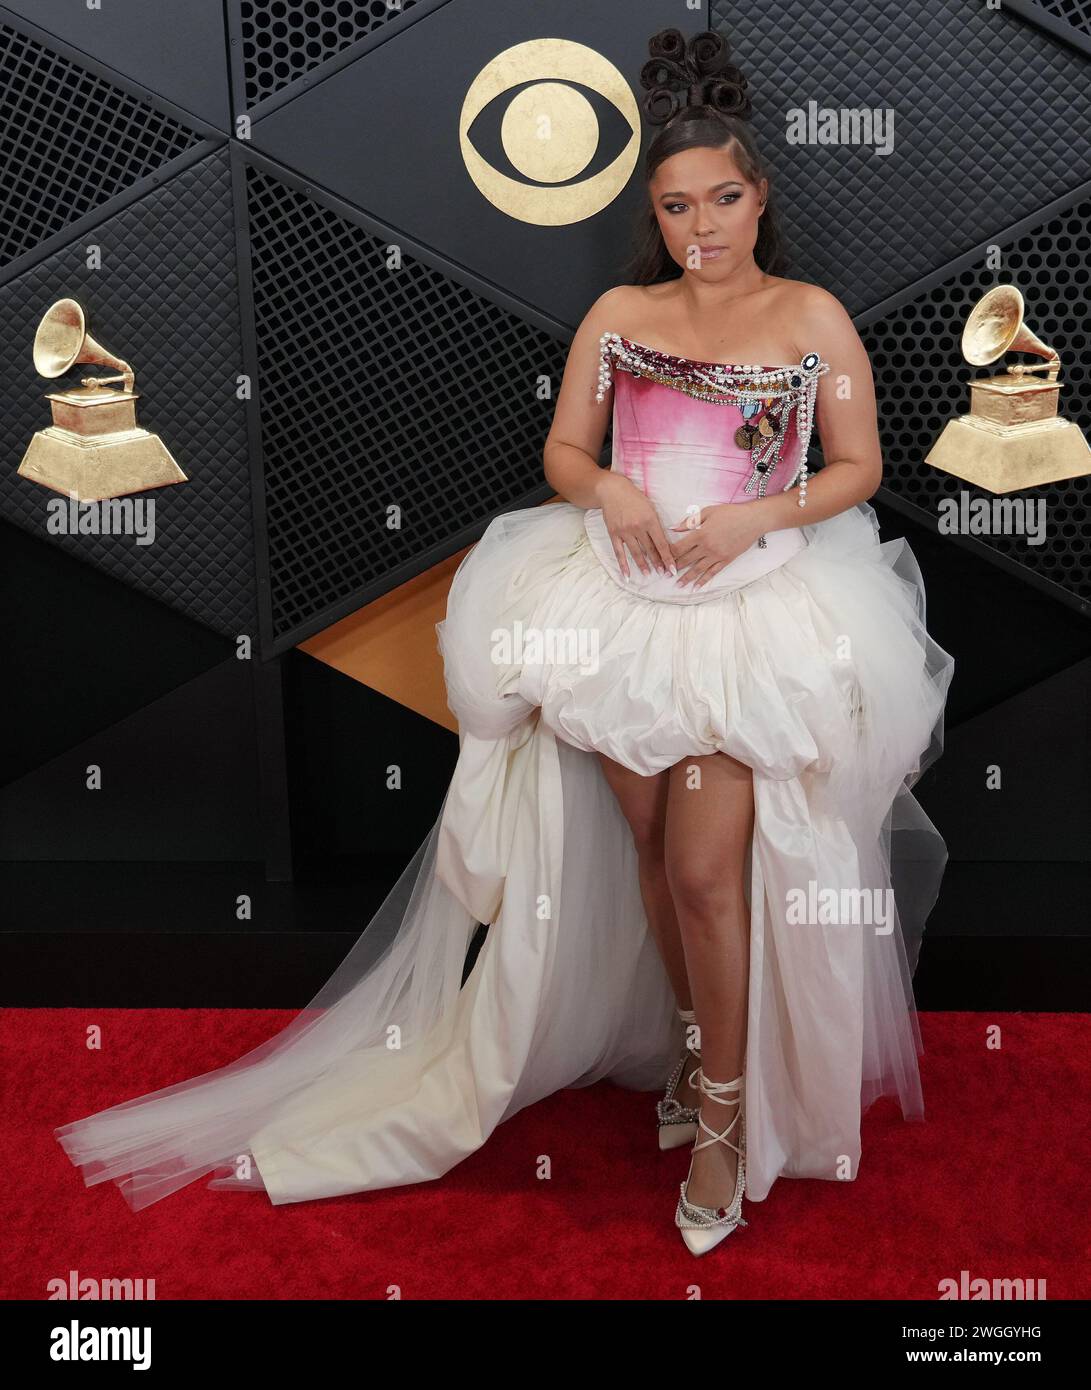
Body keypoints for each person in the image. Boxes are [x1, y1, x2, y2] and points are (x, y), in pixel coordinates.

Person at [54, 27, 954, 1257]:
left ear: (759, 196)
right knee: (650, 845)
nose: (703, 223)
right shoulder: (622, 311)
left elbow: (857, 467)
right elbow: (564, 454)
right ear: (655, 209)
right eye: (678, 202)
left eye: (724, 196)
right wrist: (613, 496)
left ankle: (730, 1123)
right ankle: (691, 1066)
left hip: (756, 617)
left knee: (706, 870)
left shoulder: (809, 318)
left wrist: (752, 509)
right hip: (623, 614)